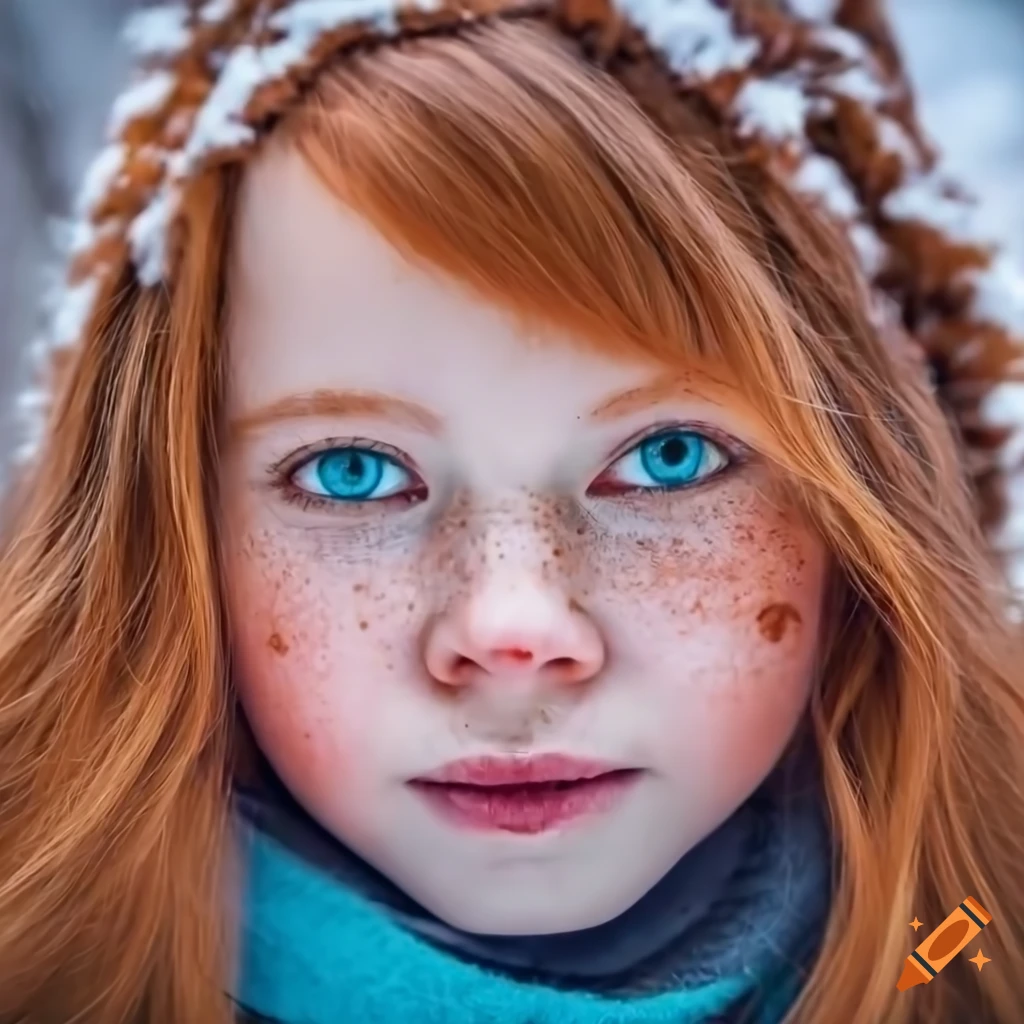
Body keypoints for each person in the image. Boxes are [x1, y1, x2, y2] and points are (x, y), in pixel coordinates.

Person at [1, 1, 1023, 1021]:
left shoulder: (968, 949)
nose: (513, 629)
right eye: (352, 470)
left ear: (873, 495)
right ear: (161, 525)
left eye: (670, 459)